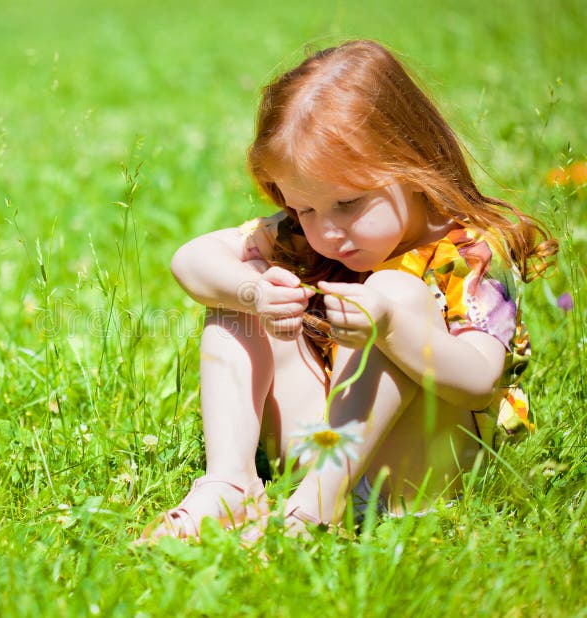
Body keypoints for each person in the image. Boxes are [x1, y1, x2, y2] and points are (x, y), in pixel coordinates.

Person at [141, 40, 557, 540]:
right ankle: (231, 483)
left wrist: (392, 324)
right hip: (324, 446)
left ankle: (316, 509)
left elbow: (479, 379)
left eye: (347, 203)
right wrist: (253, 292)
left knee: (396, 295)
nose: (327, 232)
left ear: (412, 164)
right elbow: (191, 259)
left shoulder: (471, 250)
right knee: (233, 305)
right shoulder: (314, 232)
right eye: (305, 209)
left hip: (423, 471)